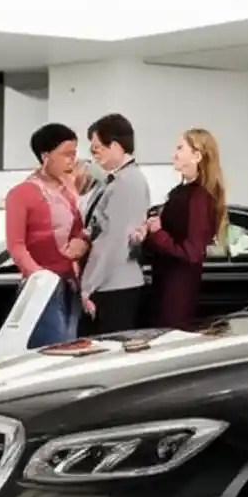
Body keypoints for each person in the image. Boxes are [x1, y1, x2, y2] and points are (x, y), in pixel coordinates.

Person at [130, 128, 227, 330]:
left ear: (197, 156)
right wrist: (148, 232)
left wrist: (158, 233)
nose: (174, 154)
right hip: (164, 282)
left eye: (180, 148)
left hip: (177, 289)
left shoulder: (199, 197)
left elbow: (191, 252)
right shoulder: (179, 192)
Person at [5, 123, 90, 349]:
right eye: (65, 154)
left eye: (74, 154)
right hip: (41, 286)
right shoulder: (21, 194)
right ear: (45, 156)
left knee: (71, 346)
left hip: (71, 282)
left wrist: (82, 242)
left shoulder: (70, 190)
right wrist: (39, 277)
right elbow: (16, 245)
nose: (72, 160)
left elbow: (79, 229)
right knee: (52, 348)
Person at [79, 114, 150, 335]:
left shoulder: (125, 183)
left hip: (113, 284)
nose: (93, 155)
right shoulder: (117, 180)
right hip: (113, 281)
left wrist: (88, 286)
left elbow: (113, 241)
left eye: (97, 148)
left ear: (116, 146)